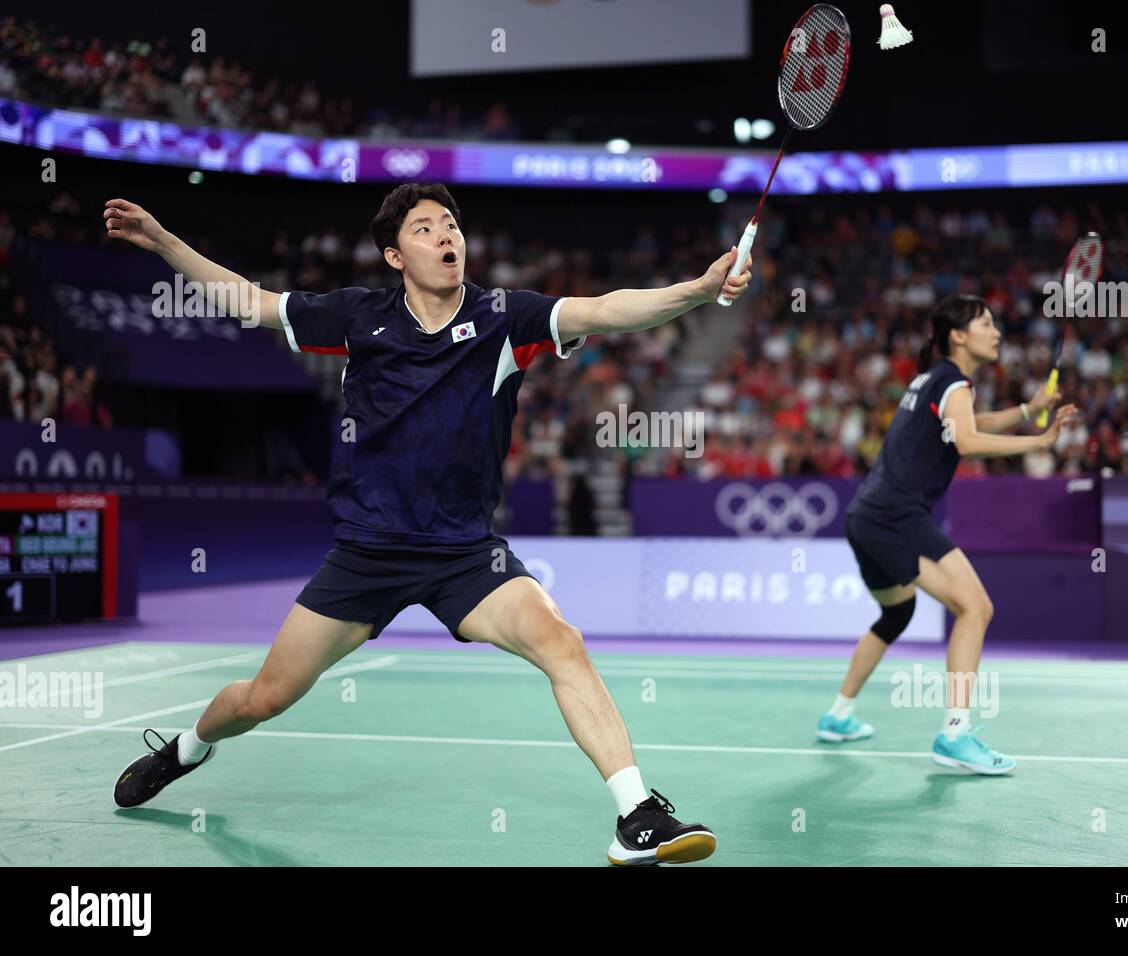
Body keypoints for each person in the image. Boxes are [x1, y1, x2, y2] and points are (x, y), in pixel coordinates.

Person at [104, 182, 751, 865]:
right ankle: (187, 749)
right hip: (367, 553)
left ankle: (636, 815)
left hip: (465, 556)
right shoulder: (358, 316)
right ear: (395, 256)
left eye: (451, 225)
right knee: (265, 698)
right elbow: (253, 302)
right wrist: (165, 243)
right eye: (425, 228)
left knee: (561, 642)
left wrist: (698, 290)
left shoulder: (504, 317)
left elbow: (607, 310)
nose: (446, 236)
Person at [816, 294, 1077, 774]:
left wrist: (1028, 408)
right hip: (897, 517)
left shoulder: (933, 379)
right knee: (976, 608)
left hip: (866, 517)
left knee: (897, 614)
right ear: (958, 335)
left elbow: (965, 425)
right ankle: (955, 734)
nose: (996, 332)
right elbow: (968, 440)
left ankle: (838, 714)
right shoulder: (954, 381)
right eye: (986, 323)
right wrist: (1039, 440)